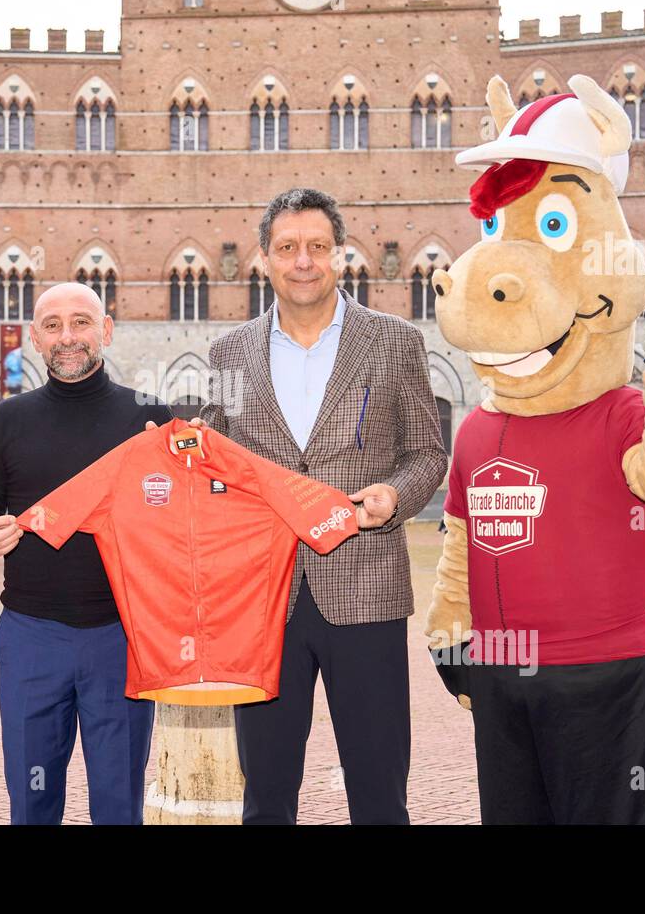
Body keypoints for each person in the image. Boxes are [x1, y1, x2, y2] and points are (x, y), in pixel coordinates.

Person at [200, 188, 448, 824]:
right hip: (265, 599)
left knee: (378, 792)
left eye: (316, 247)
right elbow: (215, 465)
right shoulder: (230, 353)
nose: (302, 261)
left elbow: (427, 453)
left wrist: (395, 497)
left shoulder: (393, 342)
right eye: (287, 248)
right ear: (265, 259)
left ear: (340, 254)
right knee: (265, 796)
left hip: (366, 590)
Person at [0, 282, 172, 824]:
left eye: (81, 322)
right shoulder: (6, 421)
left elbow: (177, 523)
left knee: (118, 800)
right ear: (34, 338)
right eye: (52, 325)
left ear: (105, 329)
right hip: (33, 637)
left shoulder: (148, 418)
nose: (67, 336)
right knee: (31, 800)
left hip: (120, 635)